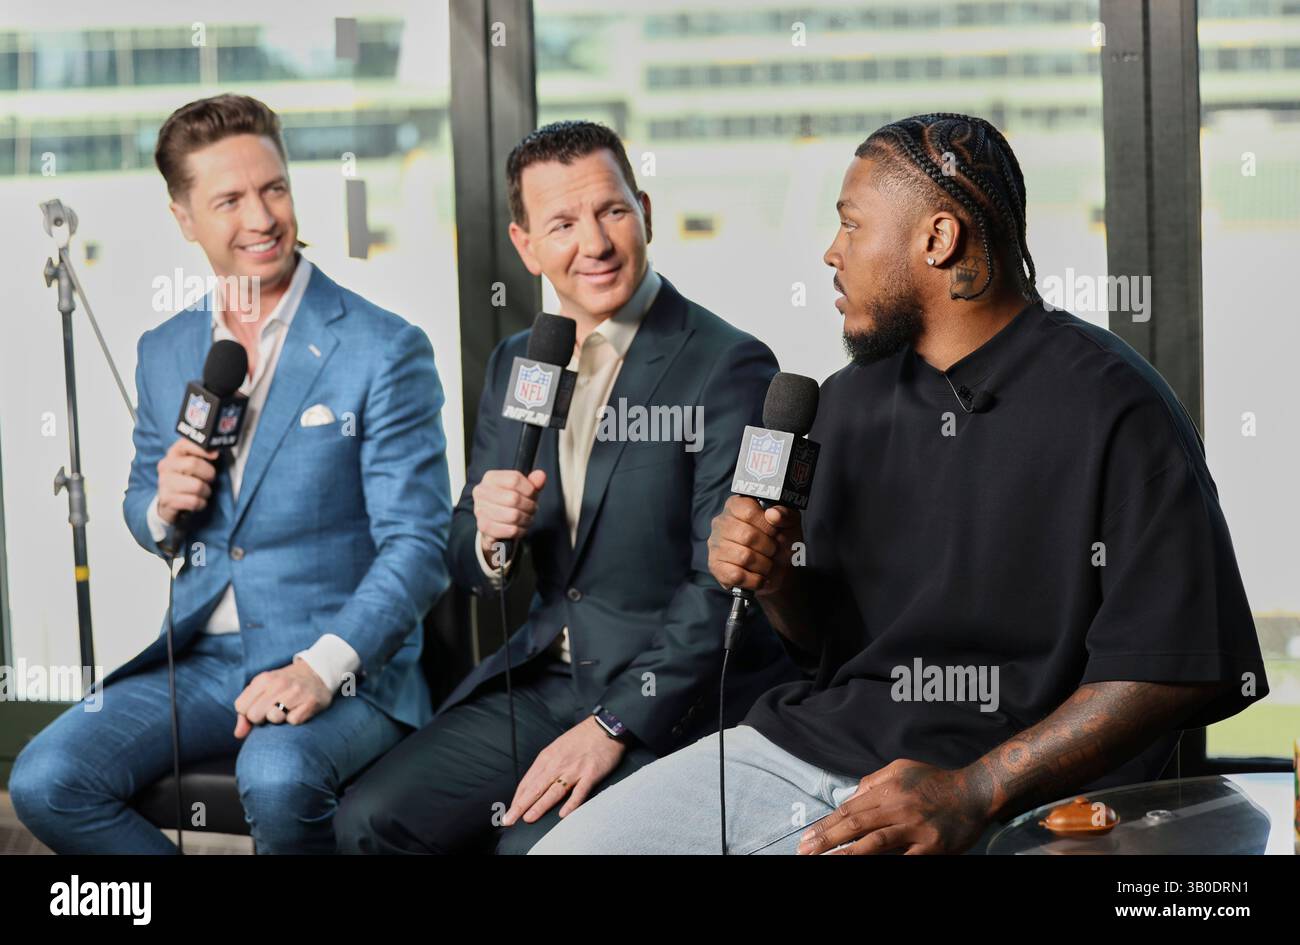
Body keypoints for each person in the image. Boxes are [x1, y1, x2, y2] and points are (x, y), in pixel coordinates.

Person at [530, 112, 1269, 855]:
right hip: (806, 746)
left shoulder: (1115, 404)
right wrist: (775, 576)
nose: (831, 251)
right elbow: (825, 645)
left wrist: (975, 789)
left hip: (995, 788)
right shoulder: (845, 400)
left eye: (852, 225)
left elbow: (1174, 669)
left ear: (938, 239)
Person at [335, 120, 795, 854]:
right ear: (525, 246)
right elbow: (466, 546)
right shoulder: (519, 361)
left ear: (645, 210)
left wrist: (612, 724)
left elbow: (723, 589)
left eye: (612, 210)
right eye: (562, 224)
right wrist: (490, 539)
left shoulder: (726, 364)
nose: (596, 243)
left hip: (672, 697)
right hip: (546, 678)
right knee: (369, 820)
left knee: (528, 849)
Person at [10, 94, 453, 854]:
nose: (262, 217)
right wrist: (162, 506)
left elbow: (417, 546)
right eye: (229, 200)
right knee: (46, 780)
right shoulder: (165, 349)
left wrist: (319, 668)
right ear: (184, 217)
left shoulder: (383, 348)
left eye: (273, 188)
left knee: (277, 778)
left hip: (344, 663)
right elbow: (139, 503)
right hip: (202, 661)